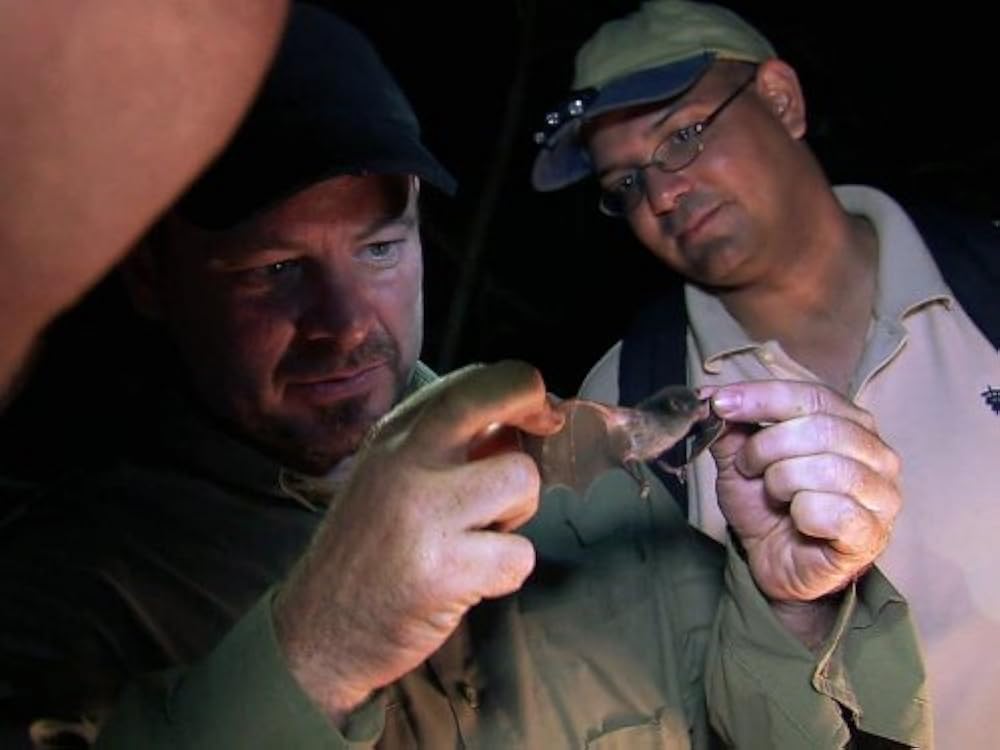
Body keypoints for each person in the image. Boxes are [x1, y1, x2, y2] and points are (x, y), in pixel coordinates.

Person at [0, 3, 928, 749]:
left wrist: (793, 612)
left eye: (377, 247)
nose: (343, 324)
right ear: (153, 280)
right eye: (270, 270)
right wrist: (313, 652)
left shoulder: (587, 486)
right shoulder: (58, 592)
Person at [531, 0, 1000, 745]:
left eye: (682, 136)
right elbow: (656, 707)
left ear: (781, 101)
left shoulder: (988, 283)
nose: (660, 196)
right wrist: (790, 610)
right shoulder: (619, 410)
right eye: (623, 186)